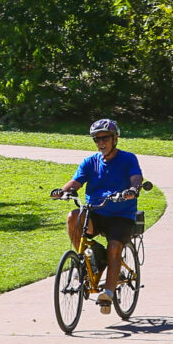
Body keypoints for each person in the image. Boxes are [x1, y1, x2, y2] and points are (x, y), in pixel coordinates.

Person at [53, 119, 144, 311]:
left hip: (121, 215)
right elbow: (76, 182)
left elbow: (136, 177)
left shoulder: (128, 159)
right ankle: (89, 260)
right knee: (73, 216)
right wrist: (62, 191)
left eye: (105, 138)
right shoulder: (90, 162)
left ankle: (108, 294)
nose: (101, 142)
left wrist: (133, 189)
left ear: (115, 138)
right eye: (97, 139)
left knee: (114, 248)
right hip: (95, 212)